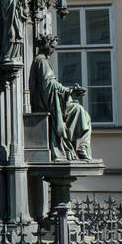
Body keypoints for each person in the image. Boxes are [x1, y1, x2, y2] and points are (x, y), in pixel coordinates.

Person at [28, 33, 93, 161]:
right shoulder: (41, 61)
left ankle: (82, 147)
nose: (53, 50)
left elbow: (50, 85)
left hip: (50, 101)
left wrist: (69, 92)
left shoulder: (42, 61)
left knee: (83, 114)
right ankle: (81, 147)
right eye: (52, 46)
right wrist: (69, 91)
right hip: (46, 104)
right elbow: (49, 85)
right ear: (46, 45)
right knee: (80, 111)